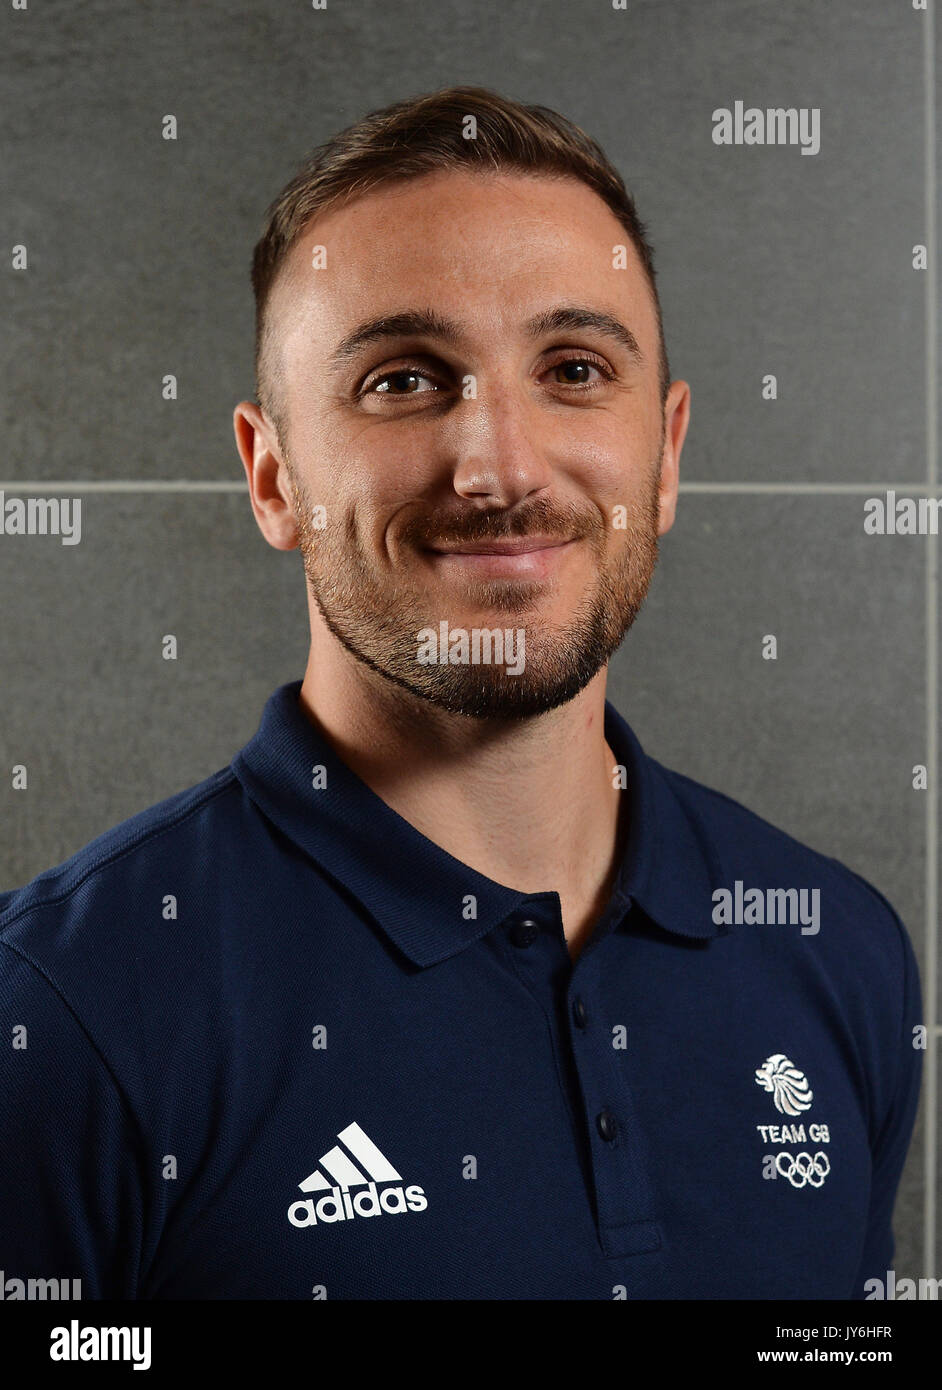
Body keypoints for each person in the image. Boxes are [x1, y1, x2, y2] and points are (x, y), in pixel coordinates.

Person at [0, 87, 922, 1300]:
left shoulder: (834, 945)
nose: (501, 468)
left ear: (669, 451)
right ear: (273, 477)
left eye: (576, 368)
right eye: (402, 380)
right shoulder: (59, 1014)